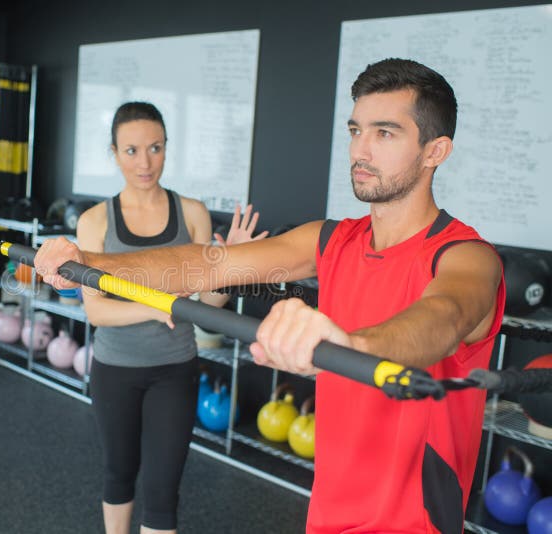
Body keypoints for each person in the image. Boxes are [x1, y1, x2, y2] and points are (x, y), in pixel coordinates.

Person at [33, 60, 505, 533]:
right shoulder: (331, 240)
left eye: (385, 134)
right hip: (327, 510)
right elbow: (206, 264)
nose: (360, 150)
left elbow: (444, 317)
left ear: (434, 151)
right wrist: (89, 262)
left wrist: (351, 346)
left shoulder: (466, 256)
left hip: (412, 522)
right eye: (356, 130)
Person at [76, 102, 266, 534]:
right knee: (118, 474)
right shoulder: (94, 222)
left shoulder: (193, 214)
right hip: (115, 370)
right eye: (131, 150)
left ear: (167, 148)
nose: (144, 162)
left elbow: (205, 309)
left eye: (155, 148)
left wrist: (228, 265)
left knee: (164, 490)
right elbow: (96, 312)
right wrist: (160, 304)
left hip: (175, 370)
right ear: (114, 152)